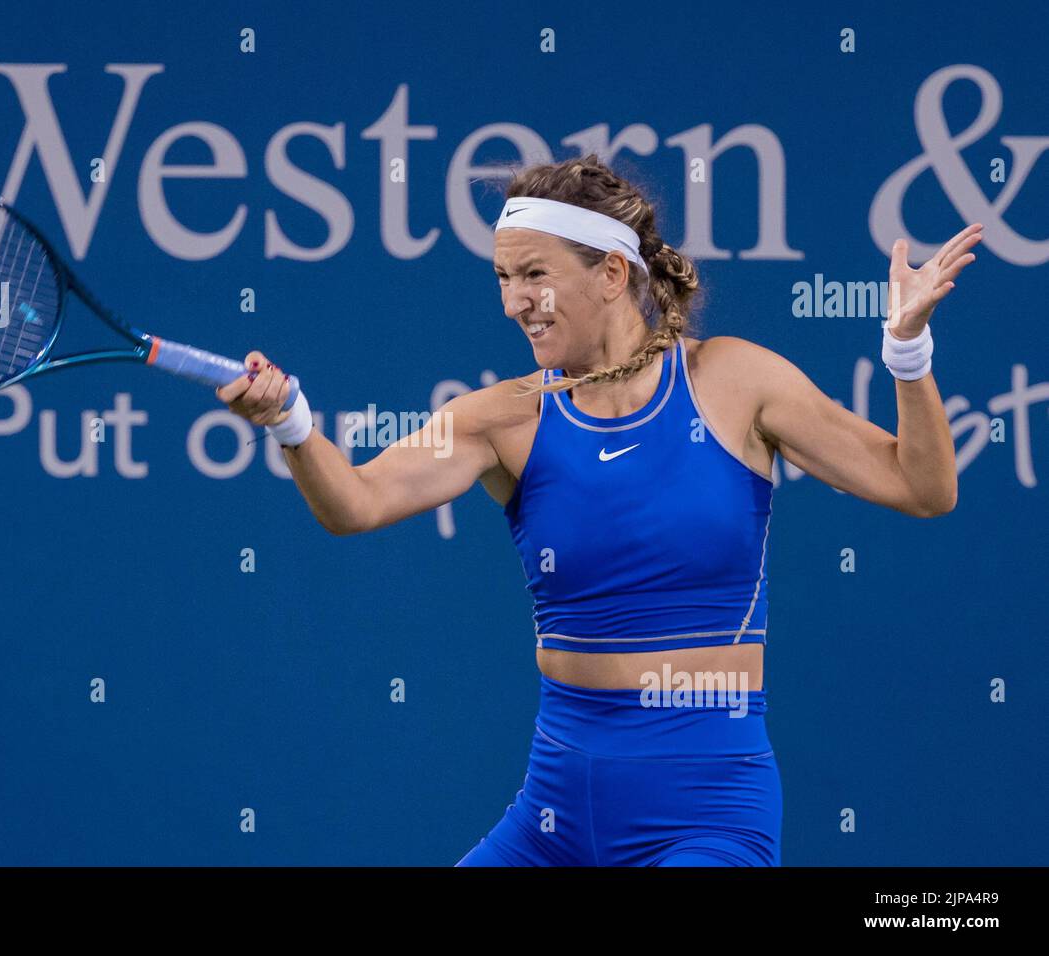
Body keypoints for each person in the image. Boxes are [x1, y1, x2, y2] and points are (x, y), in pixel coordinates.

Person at [216, 154, 981, 866]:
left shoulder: (739, 381)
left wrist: (906, 350)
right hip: (551, 813)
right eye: (502, 278)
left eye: (534, 275)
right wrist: (292, 424)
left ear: (613, 273)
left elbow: (923, 488)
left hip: (709, 813)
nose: (515, 302)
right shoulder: (501, 417)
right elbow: (356, 501)